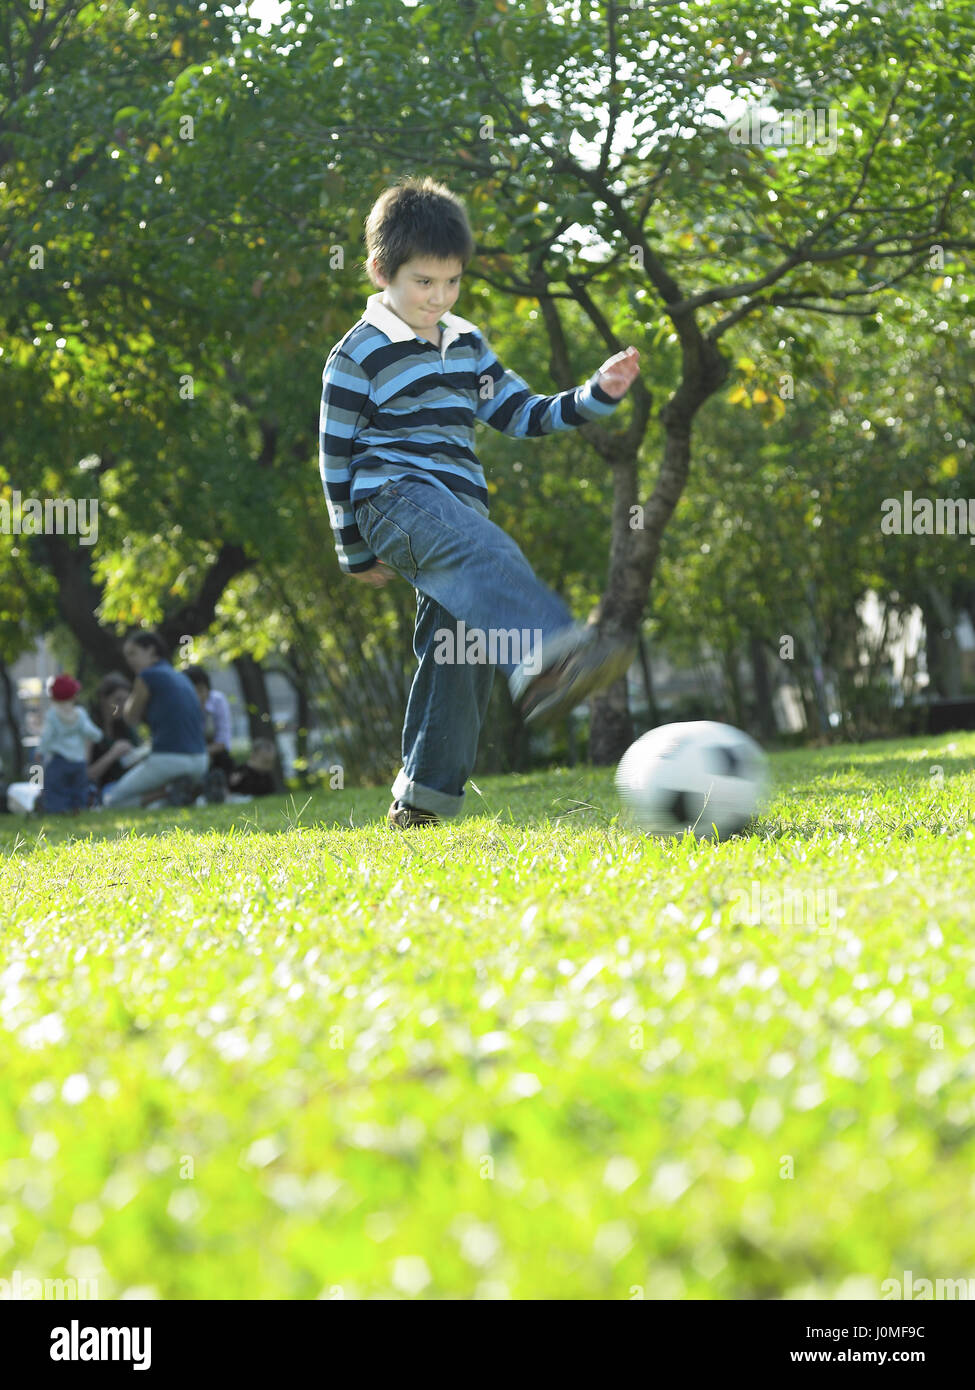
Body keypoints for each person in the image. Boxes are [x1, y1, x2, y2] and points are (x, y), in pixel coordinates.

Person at [319, 176, 641, 829]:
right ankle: (546, 653)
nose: (437, 298)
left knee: (455, 651)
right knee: (484, 549)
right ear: (382, 271)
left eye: (451, 282)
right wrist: (350, 548)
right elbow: (333, 454)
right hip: (392, 500)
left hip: (455, 513)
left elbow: (520, 413)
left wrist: (595, 394)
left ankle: (423, 800)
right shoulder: (357, 352)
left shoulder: (465, 344)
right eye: (422, 283)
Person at [100, 631, 208, 809]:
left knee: (113, 800)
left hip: (169, 759)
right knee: (158, 807)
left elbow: (130, 717)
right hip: (201, 760)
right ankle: (187, 792)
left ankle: (168, 792)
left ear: (151, 651)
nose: (129, 660)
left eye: (133, 653)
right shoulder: (181, 677)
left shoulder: (147, 676)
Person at [36, 673, 102, 813]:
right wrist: (98, 736)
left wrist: (40, 751)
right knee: (78, 788)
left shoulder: (53, 715)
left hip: (59, 760)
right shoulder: (80, 714)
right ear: (74, 696)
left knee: (56, 788)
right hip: (79, 761)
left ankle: (58, 810)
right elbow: (91, 732)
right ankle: (78, 809)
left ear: (53, 697)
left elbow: (47, 736)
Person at [86, 673, 143, 805]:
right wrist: (113, 754)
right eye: (118, 700)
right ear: (103, 699)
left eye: (126, 700)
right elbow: (86, 775)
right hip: (102, 791)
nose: (123, 706)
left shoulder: (127, 726)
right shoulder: (89, 730)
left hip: (128, 785)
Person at [184, 665, 235, 801]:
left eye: (201, 690)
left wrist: (203, 753)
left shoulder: (218, 701)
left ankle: (219, 790)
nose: (198, 696)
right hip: (189, 755)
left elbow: (223, 741)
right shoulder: (180, 707)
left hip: (212, 752)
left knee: (224, 760)